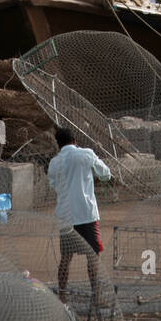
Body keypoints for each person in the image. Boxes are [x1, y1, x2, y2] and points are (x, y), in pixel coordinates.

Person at [47, 128, 112, 305]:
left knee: (66, 258)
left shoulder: (54, 162)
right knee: (92, 256)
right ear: (75, 140)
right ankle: (96, 296)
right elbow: (105, 174)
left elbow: (53, 183)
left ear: (58, 144)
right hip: (87, 214)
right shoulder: (86, 154)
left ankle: (62, 296)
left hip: (65, 216)